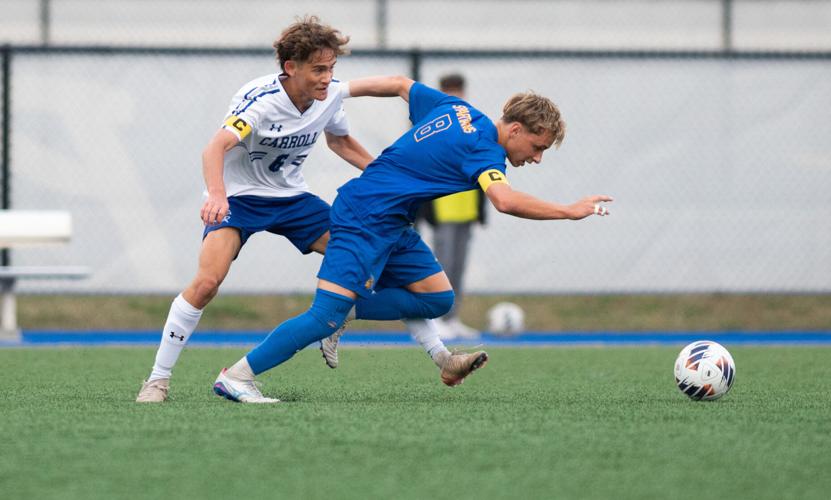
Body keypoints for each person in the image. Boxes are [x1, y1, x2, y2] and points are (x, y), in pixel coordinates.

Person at [212, 75, 613, 403]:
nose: (536, 158)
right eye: (537, 146)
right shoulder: (485, 151)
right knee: (323, 316)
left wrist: (342, 89)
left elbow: (401, 84)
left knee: (438, 297)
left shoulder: (458, 110)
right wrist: (569, 210)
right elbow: (504, 201)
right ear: (514, 128)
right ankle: (237, 377)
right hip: (365, 216)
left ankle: (367, 321)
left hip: (391, 221)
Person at [135, 16, 467, 403]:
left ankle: (440, 356)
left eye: (331, 69)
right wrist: (216, 194)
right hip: (239, 199)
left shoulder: (329, 98)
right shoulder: (260, 101)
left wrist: (388, 177)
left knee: (382, 259)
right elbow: (214, 147)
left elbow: (341, 144)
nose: (328, 78)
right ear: (290, 68)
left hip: (293, 199)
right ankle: (157, 380)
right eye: (319, 69)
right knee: (207, 283)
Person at [415, 73, 485, 339]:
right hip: (442, 211)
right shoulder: (435, 125)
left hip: (465, 211)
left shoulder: (473, 126)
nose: (456, 97)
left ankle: (453, 317)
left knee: (459, 267)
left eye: (459, 91)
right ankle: (436, 319)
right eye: (450, 92)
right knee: (442, 267)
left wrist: (481, 210)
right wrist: (421, 212)